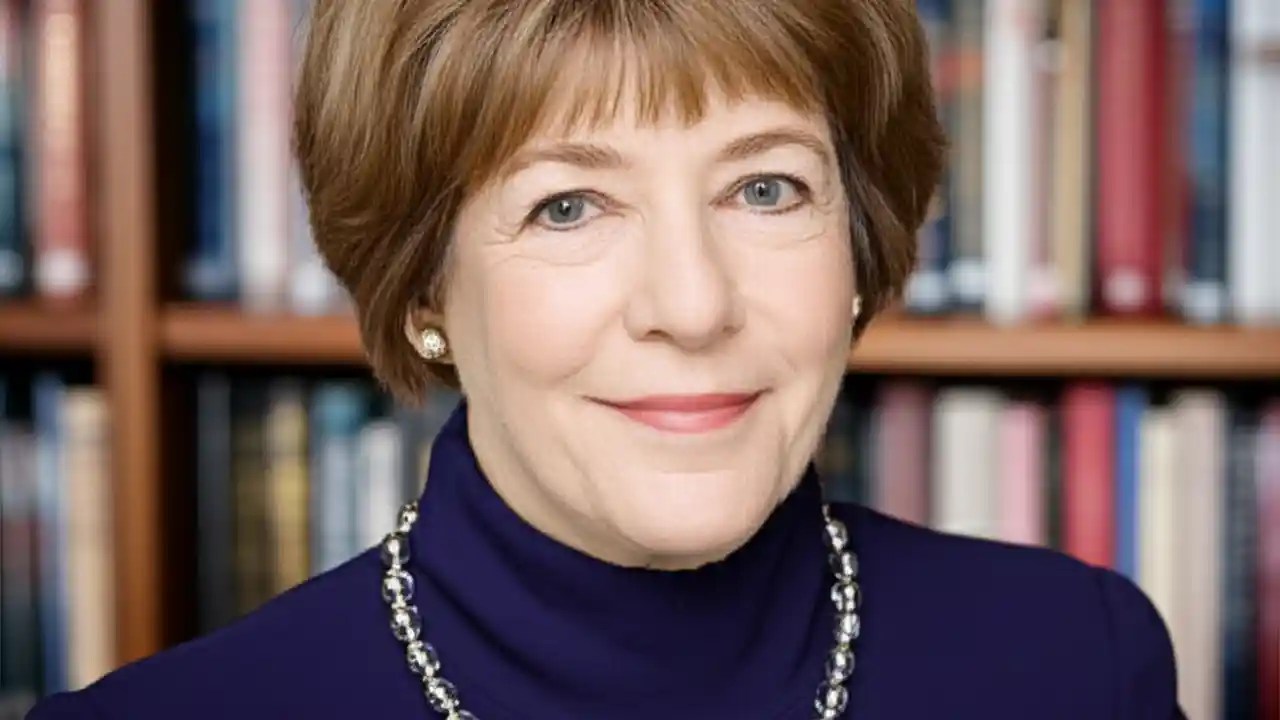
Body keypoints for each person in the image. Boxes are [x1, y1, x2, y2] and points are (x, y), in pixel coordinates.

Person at [29, 1, 1184, 718]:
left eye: (764, 187)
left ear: (859, 244)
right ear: (425, 286)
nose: (690, 305)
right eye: (569, 206)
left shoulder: (1077, 664)